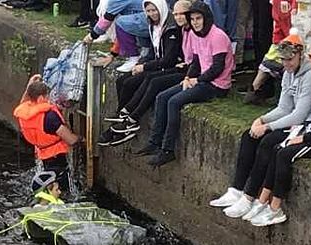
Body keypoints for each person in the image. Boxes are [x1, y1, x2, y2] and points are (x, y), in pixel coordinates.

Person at [237, 43, 311, 225]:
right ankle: (262, 200)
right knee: (278, 148)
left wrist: (304, 137)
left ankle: (275, 208)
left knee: (284, 154)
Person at [208, 34, 311, 222]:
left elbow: (300, 114)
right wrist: (261, 119)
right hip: (291, 120)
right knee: (249, 135)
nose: (286, 64)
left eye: (290, 59)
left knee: (267, 141)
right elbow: (284, 107)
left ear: (300, 55)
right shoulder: (288, 73)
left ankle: (249, 196)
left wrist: (267, 127)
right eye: (283, 60)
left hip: (306, 124)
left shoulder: (310, 75)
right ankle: (237, 189)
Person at [138, 1, 234, 167]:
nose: (195, 22)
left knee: (174, 102)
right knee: (161, 97)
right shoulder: (196, 35)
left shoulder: (218, 36)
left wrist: (198, 80)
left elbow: (217, 68)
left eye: (198, 18)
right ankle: (154, 142)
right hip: (202, 80)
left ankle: (168, 150)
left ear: (206, 18)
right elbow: (196, 61)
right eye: (193, 19)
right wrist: (189, 77)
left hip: (217, 85)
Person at [104, 1, 193, 142]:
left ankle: (128, 117)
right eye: (149, 11)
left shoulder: (172, 29)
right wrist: (141, 63)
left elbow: (169, 59)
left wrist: (145, 67)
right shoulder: (153, 26)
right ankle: (122, 118)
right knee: (121, 80)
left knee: (140, 82)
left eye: (154, 10)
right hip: (164, 65)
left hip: (170, 67)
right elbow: (153, 51)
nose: (152, 14)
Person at [14, 75, 81, 198]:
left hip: (42, 153)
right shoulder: (50, 117)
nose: (49, 99)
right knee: (61, 187)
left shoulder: (23, 111)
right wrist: (81, 139)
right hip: (57, 155)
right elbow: (71, 140)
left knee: (48, 181)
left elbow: (24, 101)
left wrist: (30, 86)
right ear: (41, 98)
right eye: (47, 96)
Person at [243, 0, 297, 104]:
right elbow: (279, 23)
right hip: (281, 39)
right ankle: (256, 89)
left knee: (285, 61)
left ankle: (279, 93)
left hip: (291, 39)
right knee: (267, 60)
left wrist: (286, 41)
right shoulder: (276, 4)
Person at [82, 0, 150, 71]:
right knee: (125, 22)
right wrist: (112, 55)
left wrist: (91, 36)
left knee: (121, 22)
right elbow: (121, 34)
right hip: (147, 20)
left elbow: (106, 21)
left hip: (148, 20)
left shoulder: (114, 2)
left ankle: (134, 58)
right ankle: (144, 56)